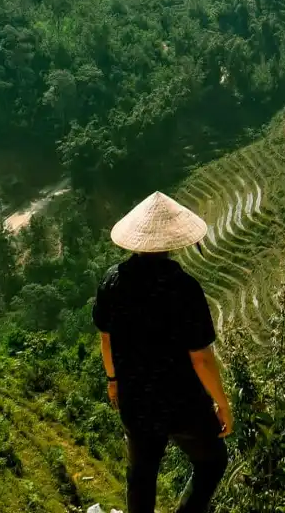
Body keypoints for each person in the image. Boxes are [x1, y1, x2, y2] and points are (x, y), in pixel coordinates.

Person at [93, 191, 233, 513]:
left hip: (136, 400)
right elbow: (200, 358)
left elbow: (106, 340)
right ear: (172, 242)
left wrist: (113, 381)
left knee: (141, 474)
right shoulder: (185, 288)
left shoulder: (113, 282)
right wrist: (222, 403)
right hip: (183, 403)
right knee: (212, 462)